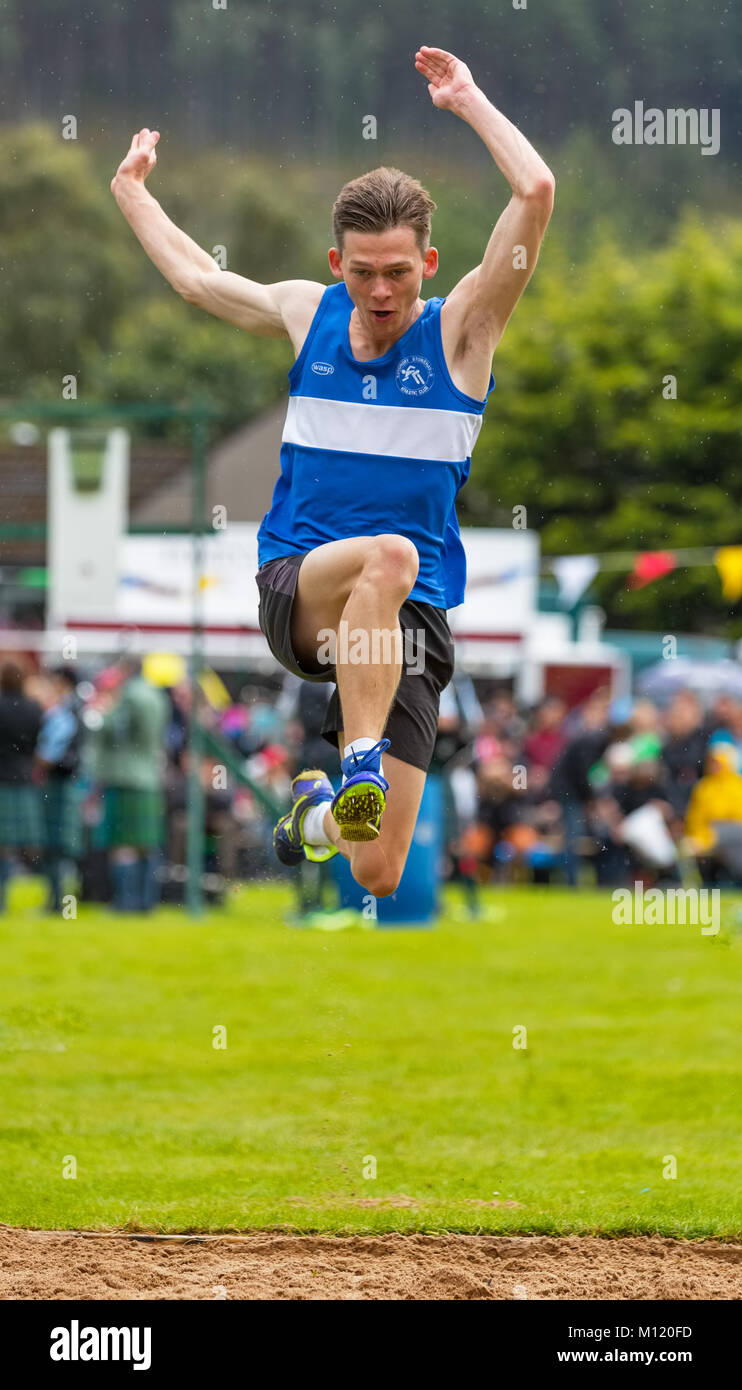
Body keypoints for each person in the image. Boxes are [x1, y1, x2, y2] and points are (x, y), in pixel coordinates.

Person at [110, 46, 555, 897]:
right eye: (361, 274)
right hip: (302, 586)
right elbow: (201, 280)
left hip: (410, 625)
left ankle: (315, 812)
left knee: (378, 871)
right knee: (388, 554)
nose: (379, 293)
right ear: (333, 265)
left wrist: (469, 103)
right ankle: (358, 764)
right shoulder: (305, 314)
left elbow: (535, 193)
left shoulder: (462, 335)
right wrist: (133, 192)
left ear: (428, 266)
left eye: (396, 273)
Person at [89, 656, 169, 912]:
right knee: (147, 844)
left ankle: (125, 903)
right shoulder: (158, 696)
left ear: (126, 671)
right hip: (150, 776)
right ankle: (147, 903)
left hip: (126, 777)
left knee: (122, 844)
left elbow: (113, 728)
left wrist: (103, 711)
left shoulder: (129, 696)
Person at [34, 666, 84, 913]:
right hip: (66, 782)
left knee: (56, 845)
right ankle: (59, 902)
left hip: (59, 782)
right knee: (59, 846)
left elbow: (51, 753)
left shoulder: (66, 710)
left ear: (63, 682)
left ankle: (59, 904)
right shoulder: (74, 707)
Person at [0, 661, 44, 912]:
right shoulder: (33, 708)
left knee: (2, 845)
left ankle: (1, 899)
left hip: (2, 779)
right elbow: (38, 742)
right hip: (24, 779)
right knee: (13, 845)